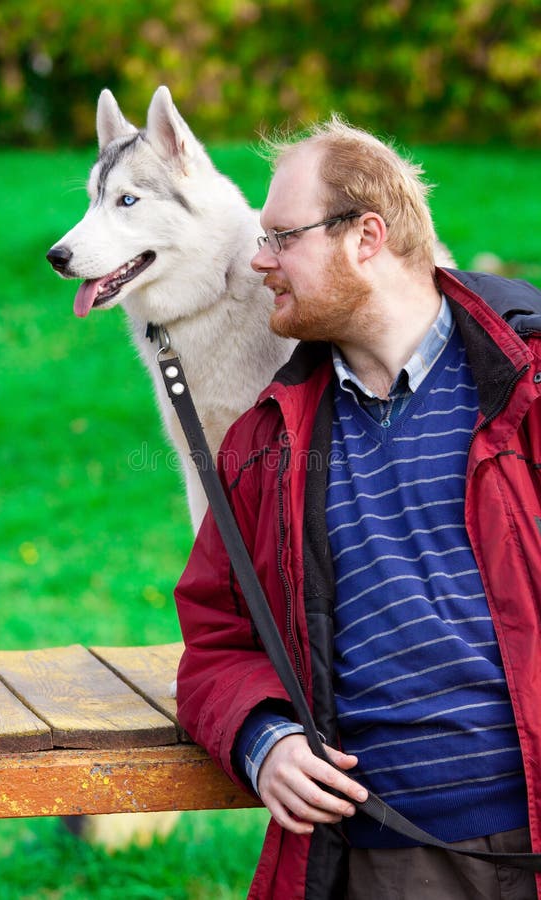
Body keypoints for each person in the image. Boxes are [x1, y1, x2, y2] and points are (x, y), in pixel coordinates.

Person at [174, 116, 541, 899]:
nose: (257, 260)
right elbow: (215, 640)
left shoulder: (529, 387)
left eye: (281, 237)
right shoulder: (262, 444)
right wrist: (261, 737)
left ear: (366, 236)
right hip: (383, 858)